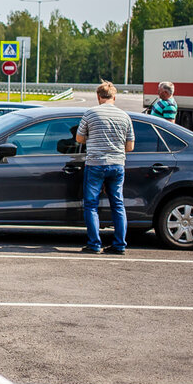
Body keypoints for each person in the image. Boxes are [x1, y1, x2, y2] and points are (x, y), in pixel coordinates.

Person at [75, 81, 135, 255]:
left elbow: (79, 139)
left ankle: (94, 244)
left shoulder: (91, 114)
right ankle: (119, 245)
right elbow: (130, 146)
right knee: (118, 204)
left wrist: (93, 139)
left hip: (95, 164)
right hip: (117, 164)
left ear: (98, 97)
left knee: (91, 204)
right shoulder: (125, 116)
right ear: (114, 97)